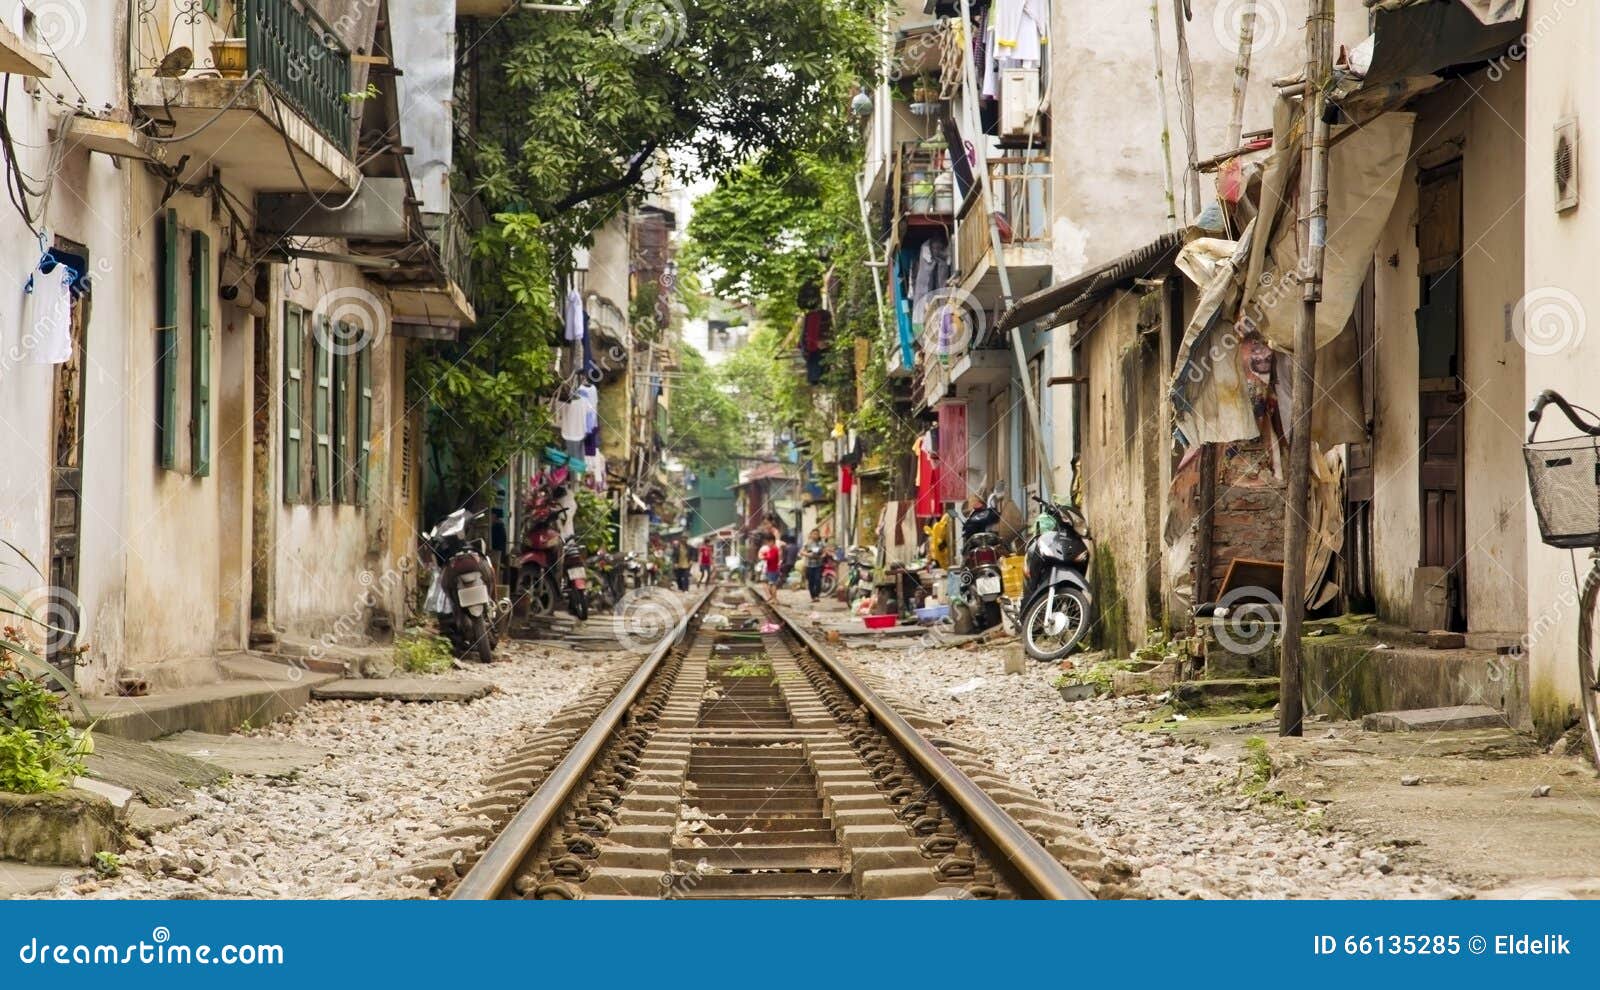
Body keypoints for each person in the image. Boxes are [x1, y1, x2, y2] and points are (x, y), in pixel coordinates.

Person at [801, 528, 826, 602]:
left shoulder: (821, 543)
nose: (815, 535)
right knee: (811, 581)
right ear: (811, 535)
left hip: (818, 565)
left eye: (817, 534)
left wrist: (822, 555)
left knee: (818, 580)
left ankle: (817, 595)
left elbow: (824, 552)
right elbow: (801, 551)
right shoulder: (807, 543)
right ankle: (813, 596)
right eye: (814, 534)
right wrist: (808, 554)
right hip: (809, 565)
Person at [758, 534, 782, 603]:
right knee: (771, 584)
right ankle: (773, 599)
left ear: (771, 541)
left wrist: (764, 557)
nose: (767, 544)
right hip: (771, 569)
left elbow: (771, 558)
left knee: (772, 585)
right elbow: (767, 554)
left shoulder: (774, 549)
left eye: (767, 543)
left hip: (773, 570)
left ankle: (774, 599)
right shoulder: (772, 549)